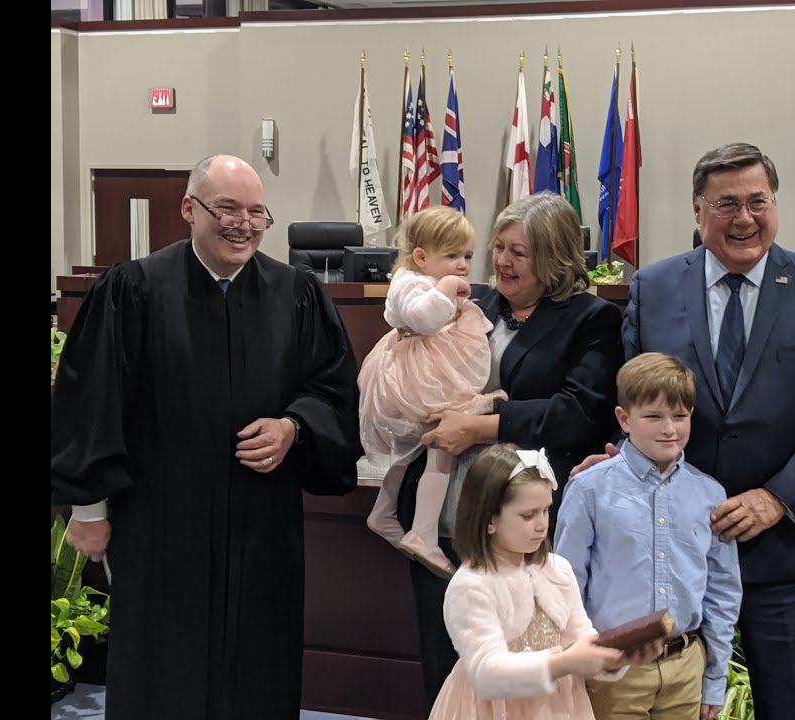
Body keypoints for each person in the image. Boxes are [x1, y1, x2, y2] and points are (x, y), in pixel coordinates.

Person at [50, 154, 363, 720]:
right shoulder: (134, 289)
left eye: (256, 212)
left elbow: (333, 389)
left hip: (260, 525)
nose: (243, 224)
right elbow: (92, 398)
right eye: (227, 209)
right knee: (163, 665)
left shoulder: (295, 295)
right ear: (189, 209)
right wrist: (89, 509)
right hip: (160, 523)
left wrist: (294, 427)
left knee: (257, 664)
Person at [577, 142, 795, 720]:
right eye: (727, 204)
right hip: (667, 553)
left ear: (775, 203)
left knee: (786, 708)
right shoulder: (654, 288)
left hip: (783, 551)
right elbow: (636, 401)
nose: (745, 218)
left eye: (758, 201)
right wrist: (615, 461)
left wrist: (777, 498)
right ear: (698, 210)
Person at [400, 192, 626, 702]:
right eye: (499, 247)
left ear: (553, 257)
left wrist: (478, 428)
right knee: (445, 668)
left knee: (514, 673)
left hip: (524, 521)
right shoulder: (472, 304)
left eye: (518, 252)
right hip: (447, 515)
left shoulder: (590, 318)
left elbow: (576, 413)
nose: (502, 260)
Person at [555, 352, 742, 720]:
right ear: (624, 419)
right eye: (654, 417)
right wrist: (576, 663)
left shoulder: (709, 494)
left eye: (680, 416)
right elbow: (565, 585)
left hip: (685, 668)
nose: (669, 429)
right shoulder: (589, 489)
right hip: (612, 670)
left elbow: (722, 592)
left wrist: (714, 677)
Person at [429, 443, 664, 720]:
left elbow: (581, 638)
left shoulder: (557, 570)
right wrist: (562, 663)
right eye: (528, 515)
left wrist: (616, 658)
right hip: (493, 709)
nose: (542, 525)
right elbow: (486, 673)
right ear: (489, 519)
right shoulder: (472, 585)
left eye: (546, 511)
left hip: (559, 705)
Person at [360, 206, 505, 578]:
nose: (462, 265)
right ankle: (423, 533)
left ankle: (384, 511)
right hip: (415, 378)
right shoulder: (410, 283)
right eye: (452, 255)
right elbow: (424, 319)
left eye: (467, 256)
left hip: (423, 372)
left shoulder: (424, 280)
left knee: (414, 450)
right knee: (441, 444)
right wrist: (446, 289)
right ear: (422, 257)